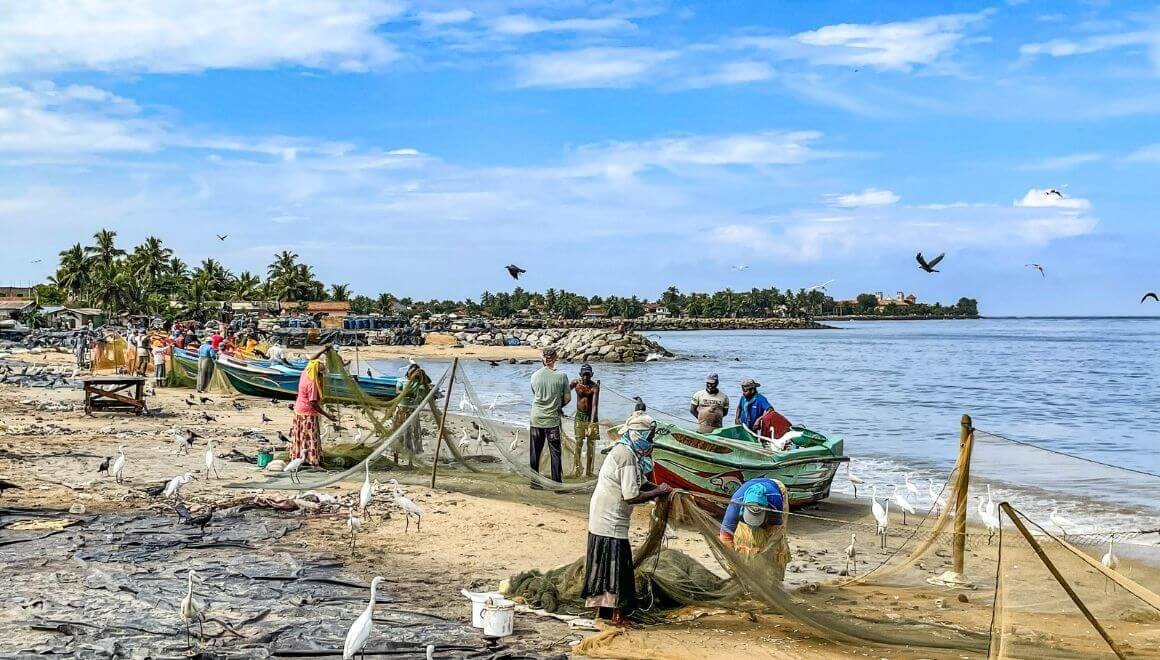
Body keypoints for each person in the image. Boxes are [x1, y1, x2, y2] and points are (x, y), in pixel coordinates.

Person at [582, 412, 672, 625]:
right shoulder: (626, 456)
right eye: (649, 437)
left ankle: (605, 613)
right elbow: (631, 495)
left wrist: (659, 488)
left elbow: (639, 483)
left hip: (606, 515)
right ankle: (615, 616)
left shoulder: (627, 451)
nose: (651, 442)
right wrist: (659, 492)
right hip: (609, 518)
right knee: (615, 564)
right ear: (638, 435)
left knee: (608, 562)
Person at [719, 478, 788, 571]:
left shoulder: (775, 502)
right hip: (748, 488)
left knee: (775, 543)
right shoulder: (736, 503)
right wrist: (735, 561)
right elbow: (725, 537)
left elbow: (775, 529)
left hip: (776, 486)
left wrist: (764, 551)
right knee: (745, 539)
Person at [290, 346, 338, 467]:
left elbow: (312, 359)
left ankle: (299, 457)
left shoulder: (307, 372)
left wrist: (323, 350)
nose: (322, 377)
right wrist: (328, 415)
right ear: (317, 373)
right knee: (311, 437)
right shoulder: (312, 384)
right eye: (321, 374)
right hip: (308, 414)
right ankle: (312, 460)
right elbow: (313, 403)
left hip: (298, 410)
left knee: (300, 435)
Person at [529, 346, 570, 485]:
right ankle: (556, 484)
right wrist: (559, 406)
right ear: (555, 358)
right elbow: (567, 398)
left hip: (536, 418)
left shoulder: (534, 376)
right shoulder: (562, 376)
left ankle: (534, 482)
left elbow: (536, 395)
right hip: (552, 421)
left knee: (535, 452)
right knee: (555, 453)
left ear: (543, 359)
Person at [569, 364, 600, 478]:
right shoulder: (576, 383)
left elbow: (594, 406)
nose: (586, 377)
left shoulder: (594, 387)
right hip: (579, 417)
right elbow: (565, 393)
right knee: (578, 443)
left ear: (592, 375)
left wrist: (592, 423)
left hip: (591, 417)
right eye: (584, 374)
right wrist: (560, 406)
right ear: (580, 374)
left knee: (591, 445)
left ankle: (588, 471)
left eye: (588, 375)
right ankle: (577, 469)